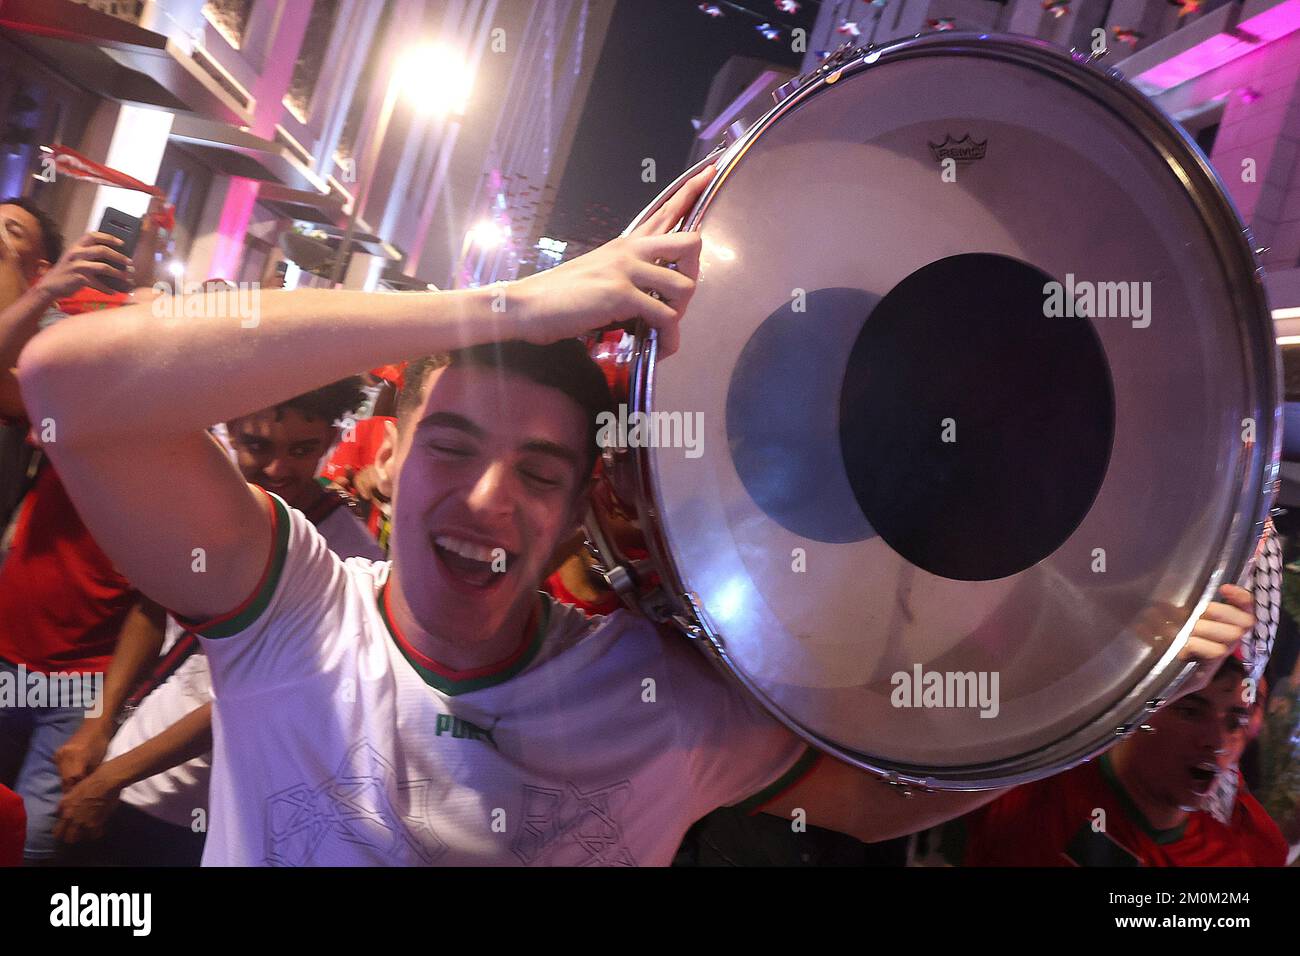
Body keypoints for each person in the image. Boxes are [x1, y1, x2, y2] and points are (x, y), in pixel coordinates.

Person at [16, 167, 1254, 865]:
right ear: (389, 457)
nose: (490, 497)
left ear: (575, 520)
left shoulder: (654, 697)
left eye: (542, 472)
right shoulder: (289, 609)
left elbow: (888, 789)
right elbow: (68, 383)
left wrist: (1111, 670)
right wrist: (497, 305)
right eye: (452, 445)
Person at [55, 379, 384, 864]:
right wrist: (98, 722)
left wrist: (113, 776)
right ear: (229, 428)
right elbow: (151, 608)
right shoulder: (205, 505)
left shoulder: (349, 553)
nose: (279, 467)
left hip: (202, 806)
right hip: (125, 763)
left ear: (333, 441)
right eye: (258, 446)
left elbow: (259, 692)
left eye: (303, 449)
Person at [0, 201, 168, 863]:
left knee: (35, 849)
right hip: (4, 652)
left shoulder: (177, 451)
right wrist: (50, 287)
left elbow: (153, 603)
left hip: (75, 686)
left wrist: (101, 721)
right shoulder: (69, 412)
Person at [959, 656, 1286, 866]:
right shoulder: (1035, 781)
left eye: (1234, 721)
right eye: (1189, 710)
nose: (1216, 741)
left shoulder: (1237, 854)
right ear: (1136, 705)